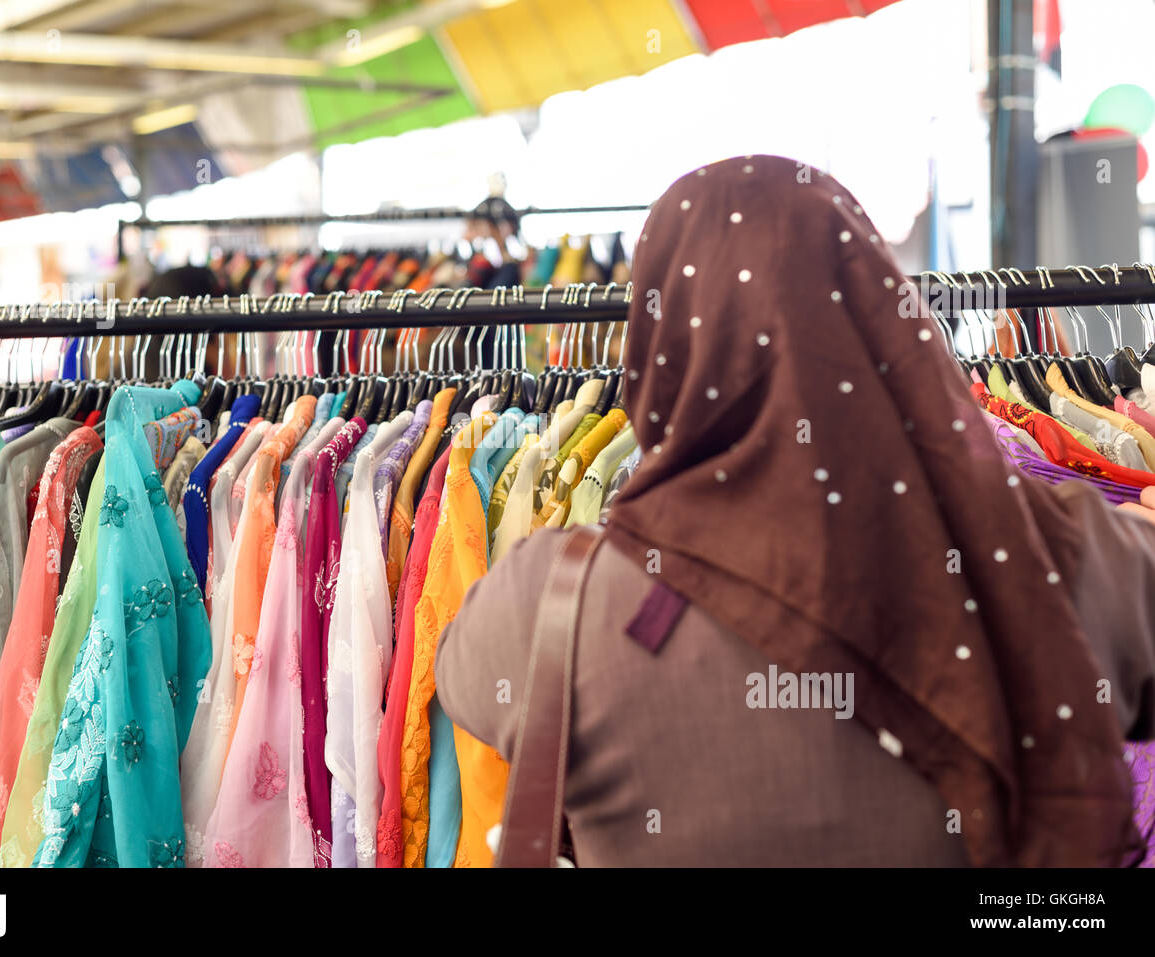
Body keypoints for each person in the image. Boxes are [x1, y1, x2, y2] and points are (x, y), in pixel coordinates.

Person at [435, 155, 1155, 867]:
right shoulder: (1049, 551)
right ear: (881, 313)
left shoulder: (552, 606)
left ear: (659, 342)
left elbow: (459, 678)